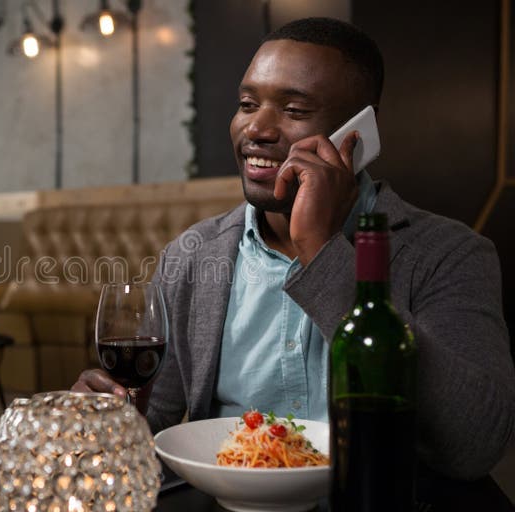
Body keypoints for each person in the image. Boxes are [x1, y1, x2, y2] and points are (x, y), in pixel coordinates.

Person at [72, 17, 515, 480]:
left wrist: (322, 250)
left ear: (357, 133)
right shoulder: (192, 256)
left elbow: (475, 444)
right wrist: (112, 422)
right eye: (247, 104)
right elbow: (155, 419)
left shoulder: (449, 254)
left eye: (294, 110)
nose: (256, 129)